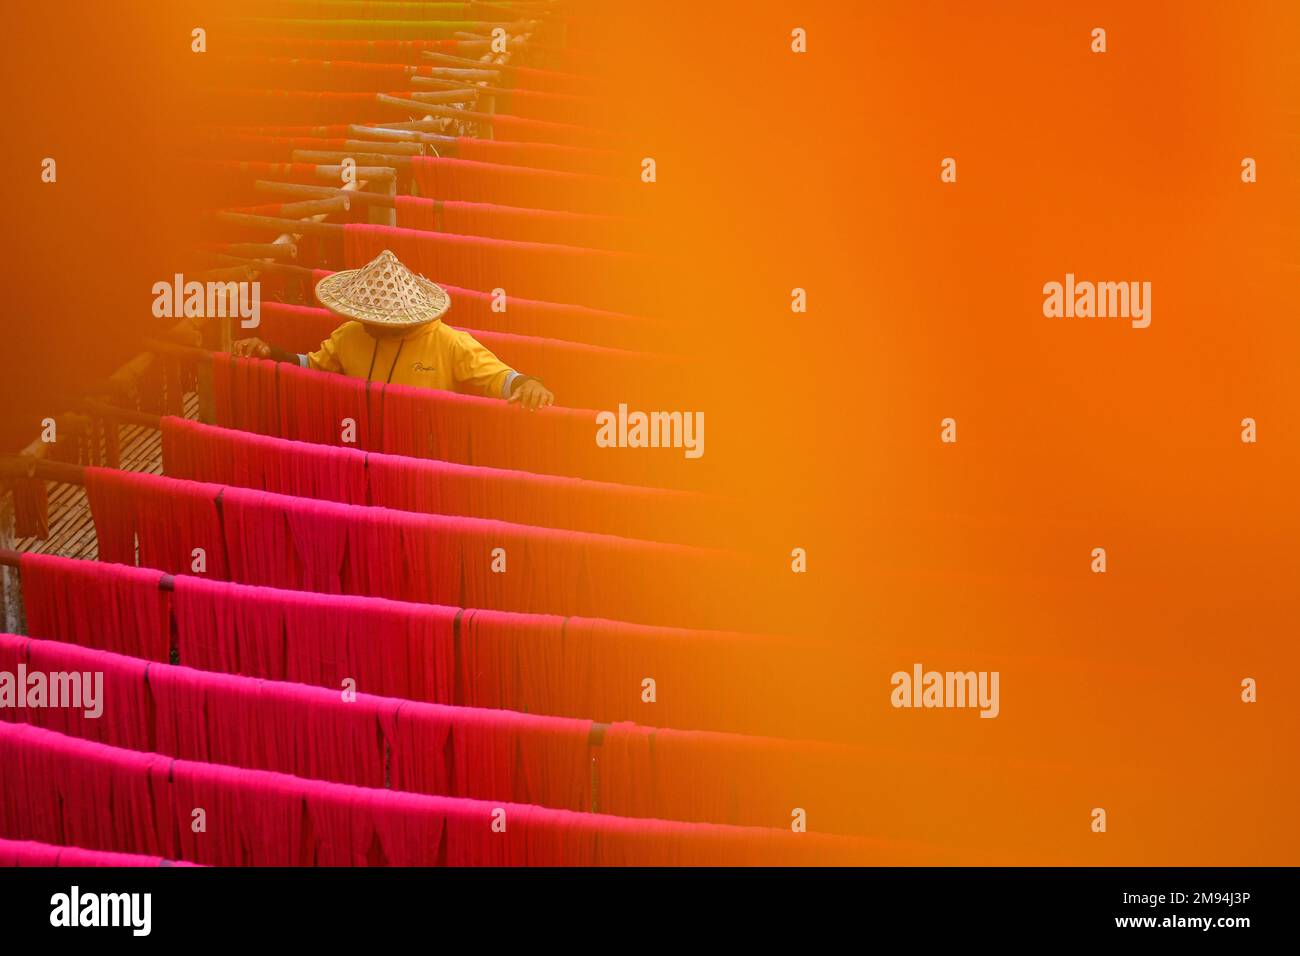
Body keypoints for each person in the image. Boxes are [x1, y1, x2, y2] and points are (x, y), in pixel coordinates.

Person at [232, 249, 555, 411]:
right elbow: (314, 367)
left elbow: (500, 378)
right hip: (359, 446)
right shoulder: (350, 334)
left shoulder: (451, 344)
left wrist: (530, 383)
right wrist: (270, 352)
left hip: (423, 459)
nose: (368, 326)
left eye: (376, 321)